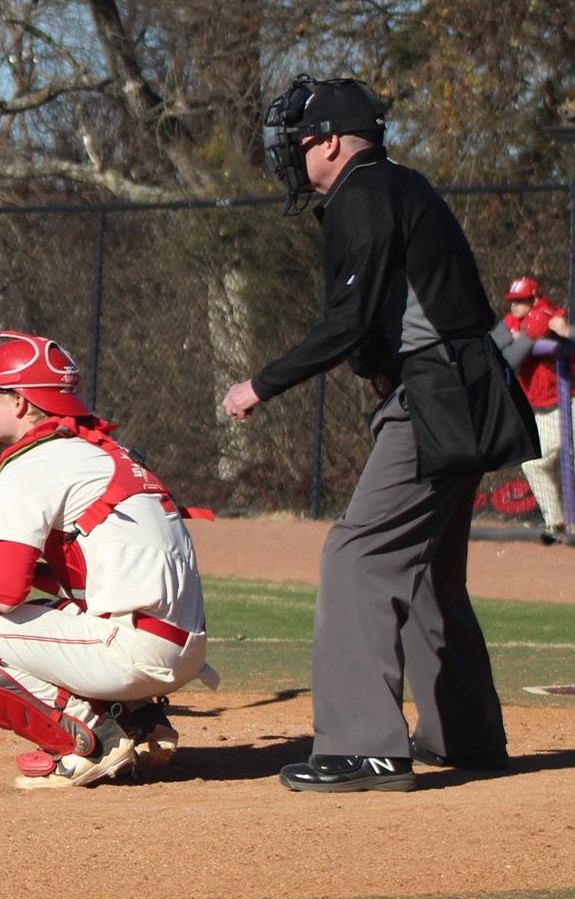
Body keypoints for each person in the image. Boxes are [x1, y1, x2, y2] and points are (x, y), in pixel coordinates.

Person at [221, 74, 519, 791]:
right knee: (427, 570)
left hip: (438, 391)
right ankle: (466, 735)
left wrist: (260, 383)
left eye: (298, 142)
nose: (290, 157)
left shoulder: (364, 191)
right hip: (462, 386)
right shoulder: (396, 184)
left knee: (355, 556)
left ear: (329, 142)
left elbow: (348, 322)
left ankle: (363, 748)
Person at [0, 331, 212, 790]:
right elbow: (93, 574)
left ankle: (91, 741)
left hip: (134, 650)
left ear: (21, 402)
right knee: (50, 608)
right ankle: (138, 721)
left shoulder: (32, 463)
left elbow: (5, 593)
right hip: (178, 646)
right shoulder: (100, 452)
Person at [490, 276, 573, 545]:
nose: (514, 306)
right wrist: (513, 336)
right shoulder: (516, 319)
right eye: (512, 301)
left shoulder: (543, 313)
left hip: (571, 402)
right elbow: (490, 344)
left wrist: (517, 340)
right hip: (545, 411)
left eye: (521, 301)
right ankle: (556, 524)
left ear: (535, 299)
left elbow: (511, 359)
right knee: (533, 464)